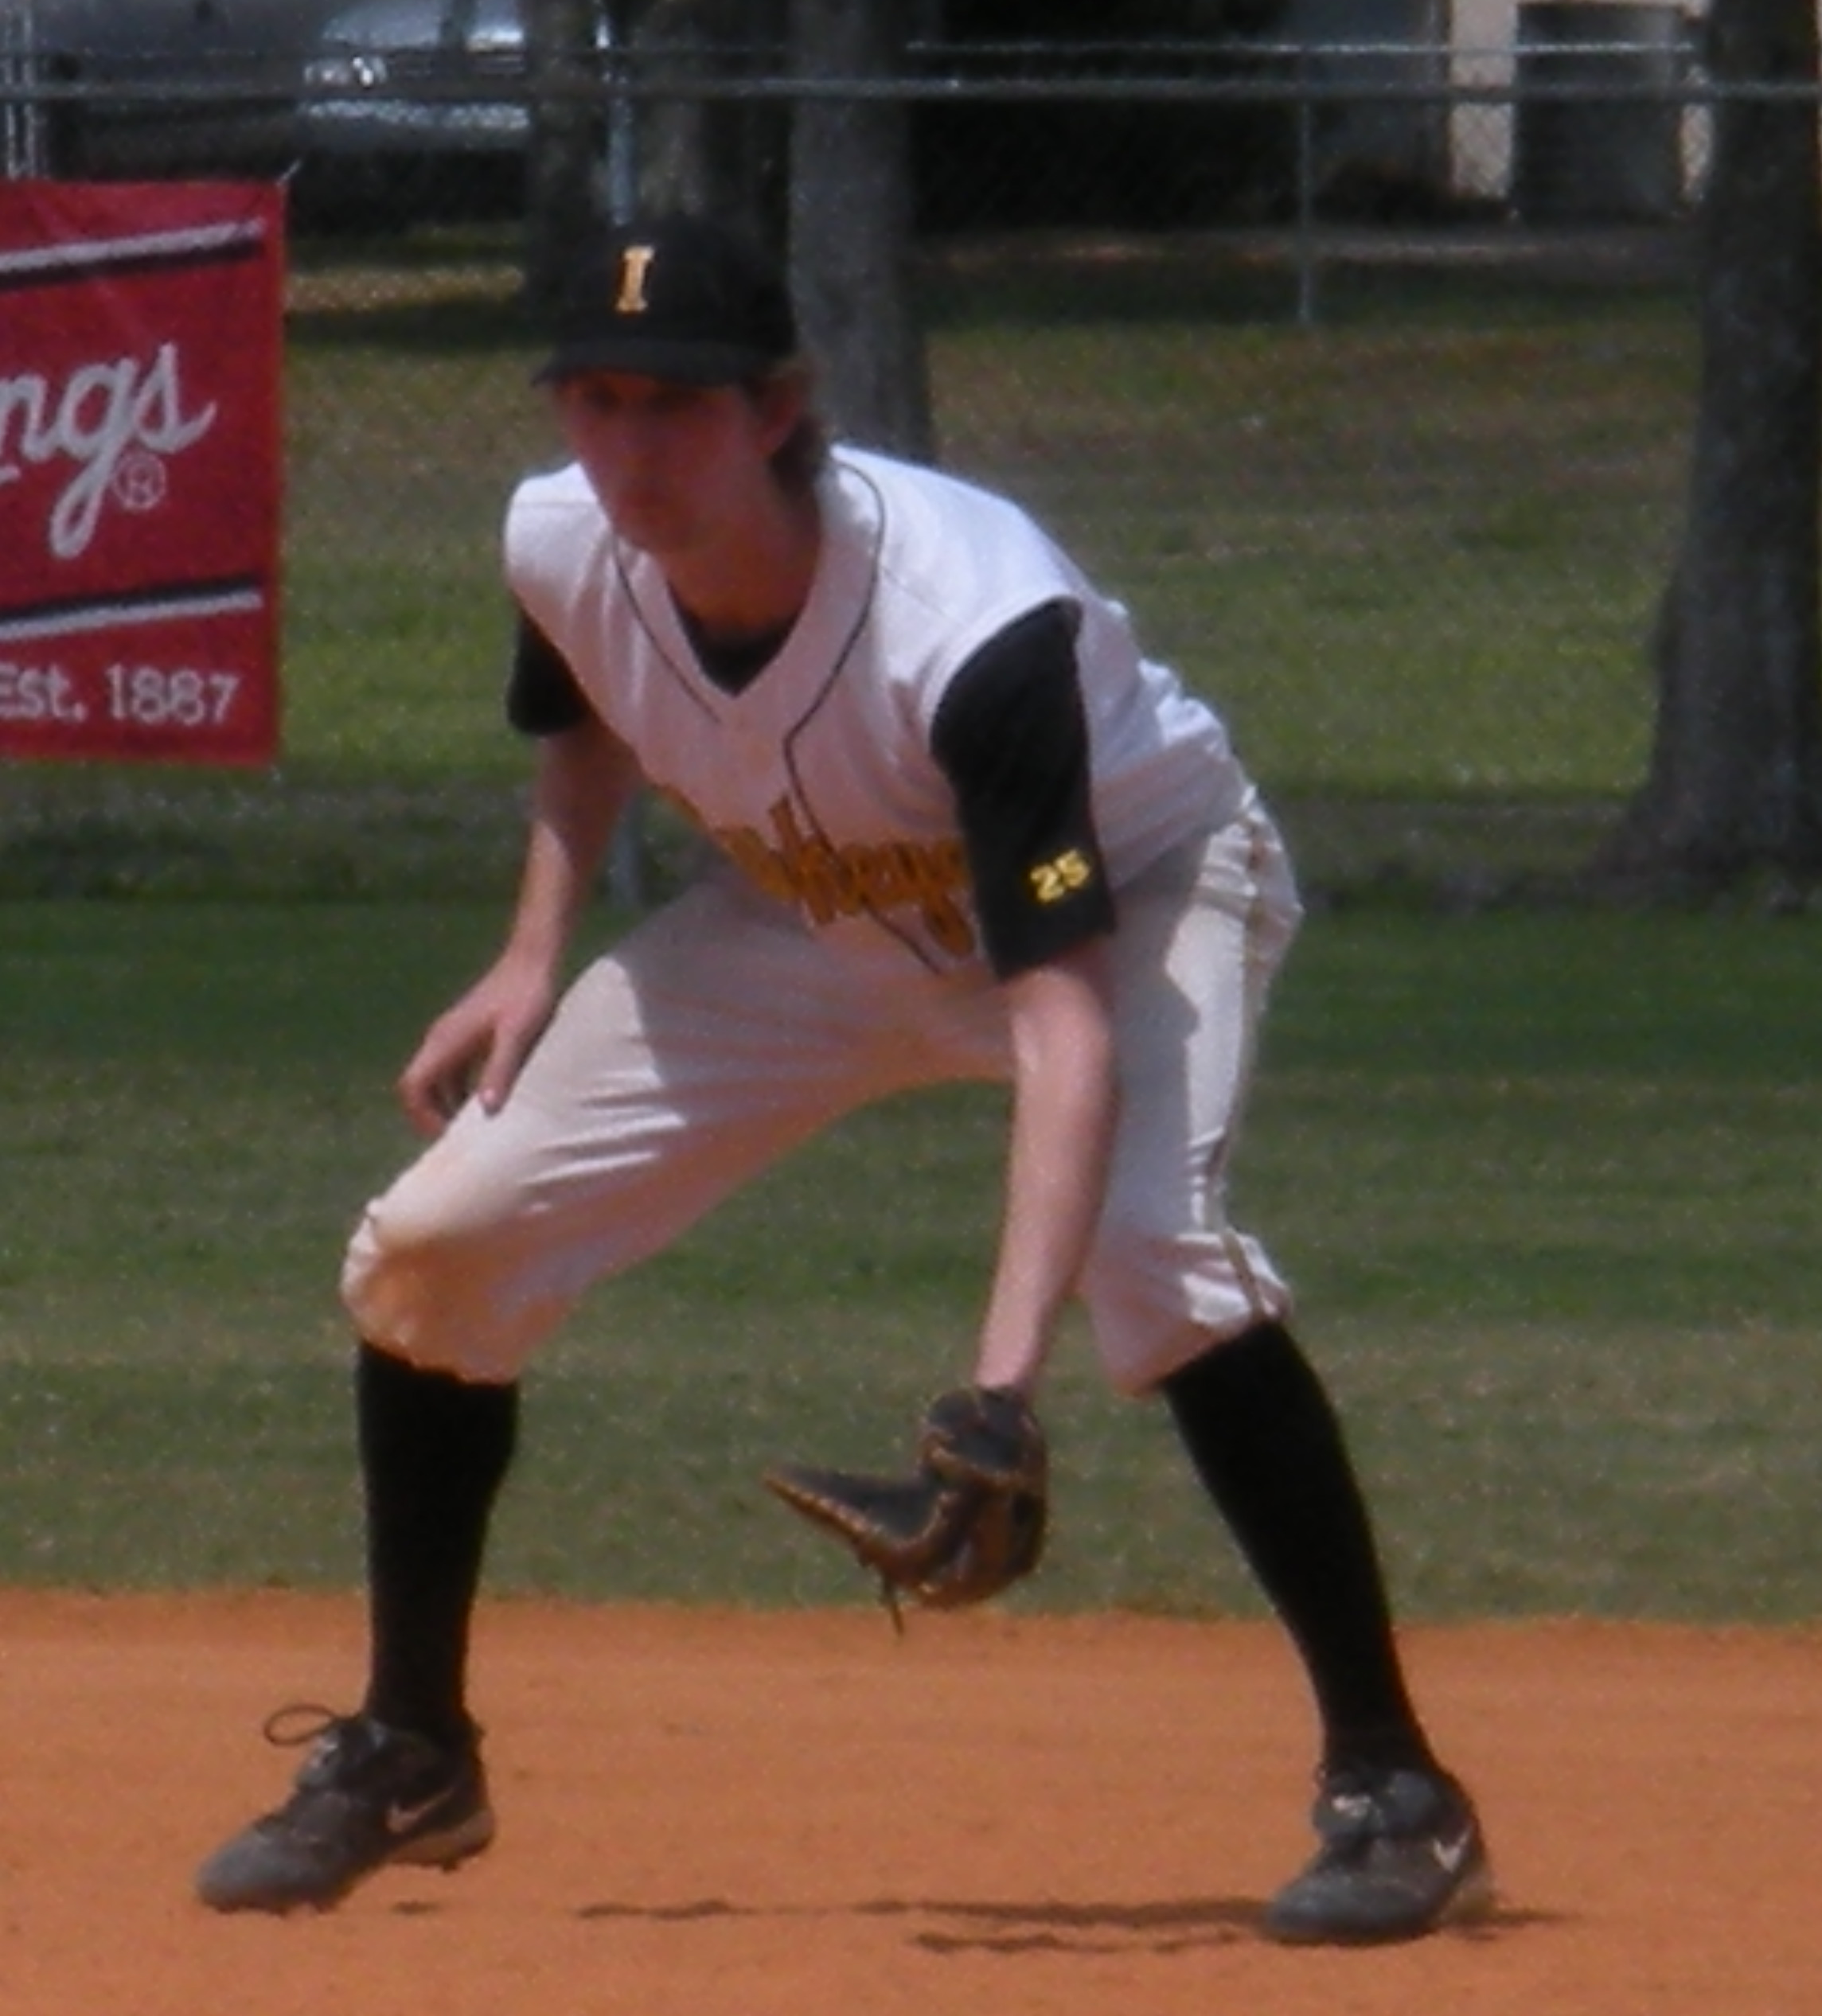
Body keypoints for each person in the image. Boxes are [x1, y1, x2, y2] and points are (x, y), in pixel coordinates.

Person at [193, 213, 1493, 1945]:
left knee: (1153, 1265)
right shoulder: (560, 539)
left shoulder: (973, 622)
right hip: (821, 916)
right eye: (593, 397)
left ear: (781, 407)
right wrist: (532, 948)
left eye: (677, 403)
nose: (630, 445)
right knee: (445, 1244)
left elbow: (1059, 1018)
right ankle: (415, 1750)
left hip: (1143, 892)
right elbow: (582, 716)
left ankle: (1399, 1791)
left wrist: (998, 1393)